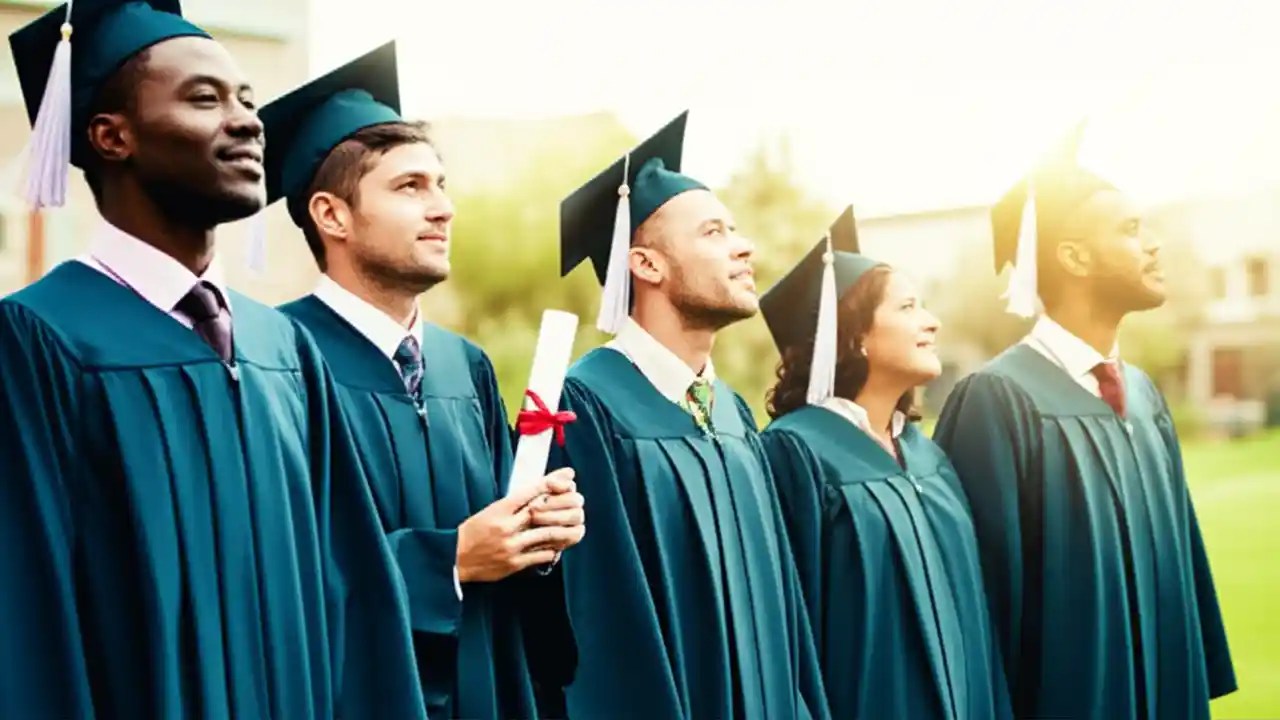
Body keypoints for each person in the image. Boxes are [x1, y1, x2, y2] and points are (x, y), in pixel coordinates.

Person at [0, 3, 424, 717]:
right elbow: (28, 620)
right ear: (112, 136)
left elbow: (355, 600)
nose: (248, 121)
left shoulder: (285, 351)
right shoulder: (37, 341)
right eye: (206, 99)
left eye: (248, 101)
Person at [265, 42, 585, 719]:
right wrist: (447, 563)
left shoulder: (464, 367)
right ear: (332, 216)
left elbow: (508, 563)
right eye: (410, 187)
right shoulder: (276, 361)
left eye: (442, 185)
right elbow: (273, 573)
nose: (443, 208)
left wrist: (538, 540)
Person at [934, 126, 1236, 719]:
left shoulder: (1144, 396)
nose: (1153, 245)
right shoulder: (998, 402)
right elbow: (981, 608)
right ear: (1073, 256)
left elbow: (1186, 582)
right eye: (1130, 230)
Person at [545, 112, 827, 719]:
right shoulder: (584, 407)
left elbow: (785, 620)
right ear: (646, 265)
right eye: (713, 232)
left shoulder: (734, 414)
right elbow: (598, 641)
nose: (743, 245)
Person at [758, 207, 1011, 720]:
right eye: (909, 307)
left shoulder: (925, 454)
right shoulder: (795, 452)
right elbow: (783, 633)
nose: (931, 321)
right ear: (854, 336)